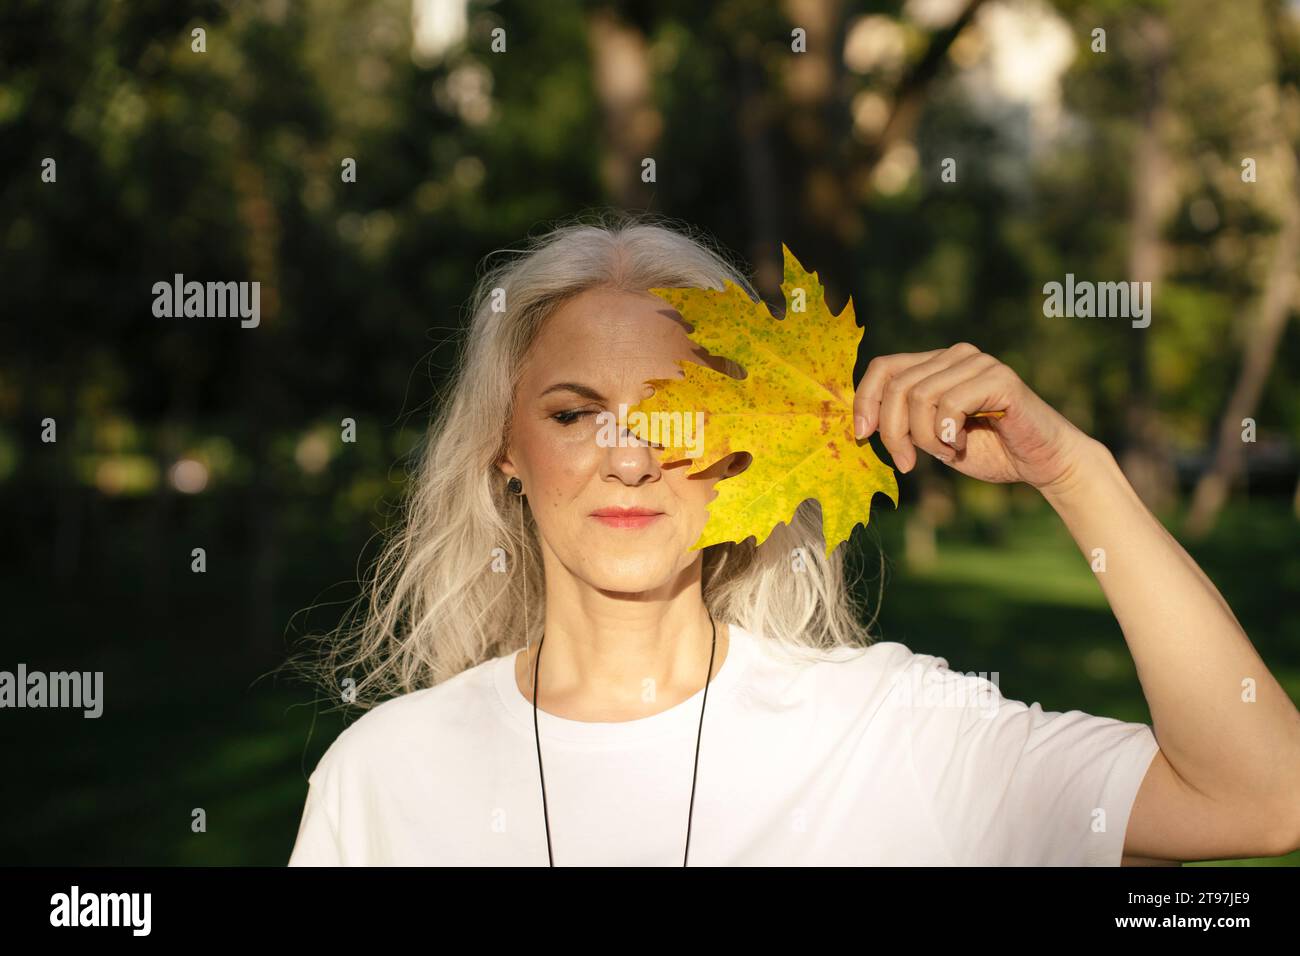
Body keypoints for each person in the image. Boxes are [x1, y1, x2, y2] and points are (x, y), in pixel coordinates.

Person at [286, 211, 1300, 866]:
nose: (630, 457)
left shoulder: (889, 730)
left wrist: (1075, 472)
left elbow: (1261, 800)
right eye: (572, 412)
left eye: (679, 411)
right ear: (504, 451)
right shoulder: (384, 775)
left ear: (742, 447)